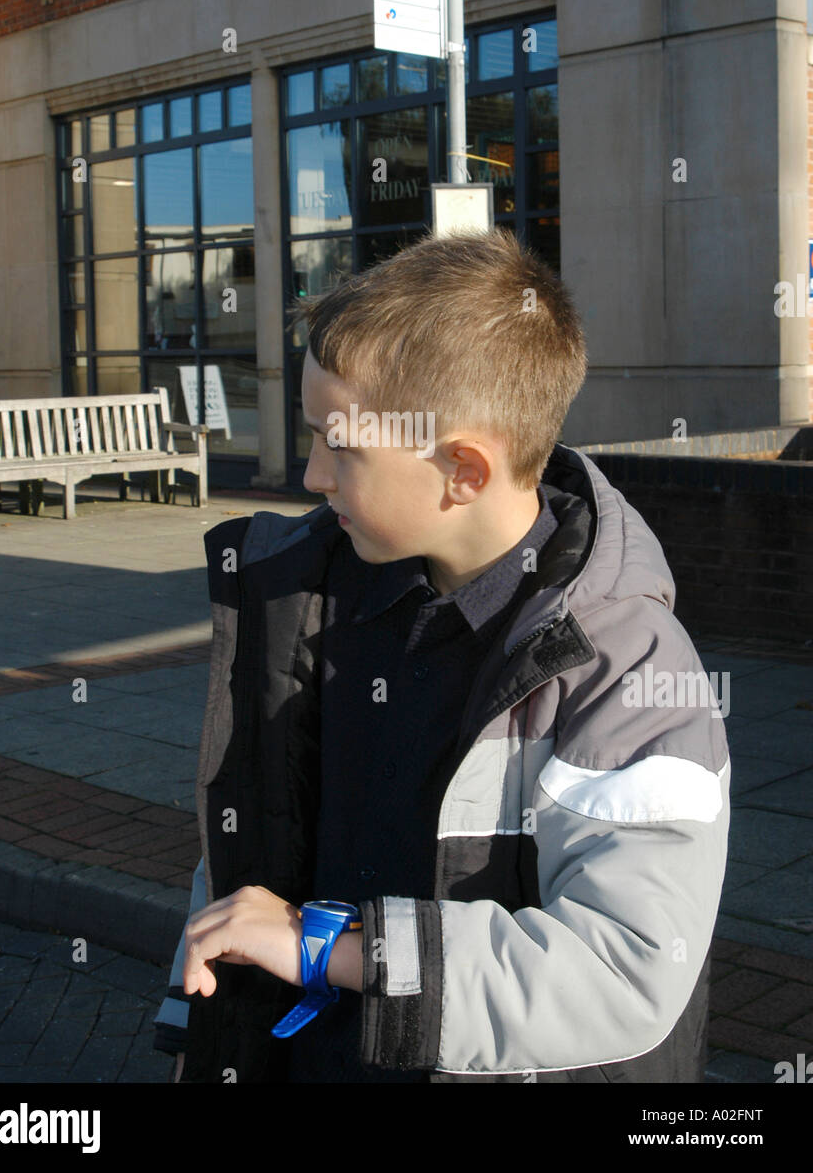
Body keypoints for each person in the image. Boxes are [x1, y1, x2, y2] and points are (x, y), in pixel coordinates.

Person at [153, 226, 730, 1083]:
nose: (312, 475)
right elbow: (248, 852)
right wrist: (196, 1022)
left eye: (339, 443)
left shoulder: (631, 672)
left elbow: (626, 965)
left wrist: (334, 952)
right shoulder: (308, 602)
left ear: (461, 469)